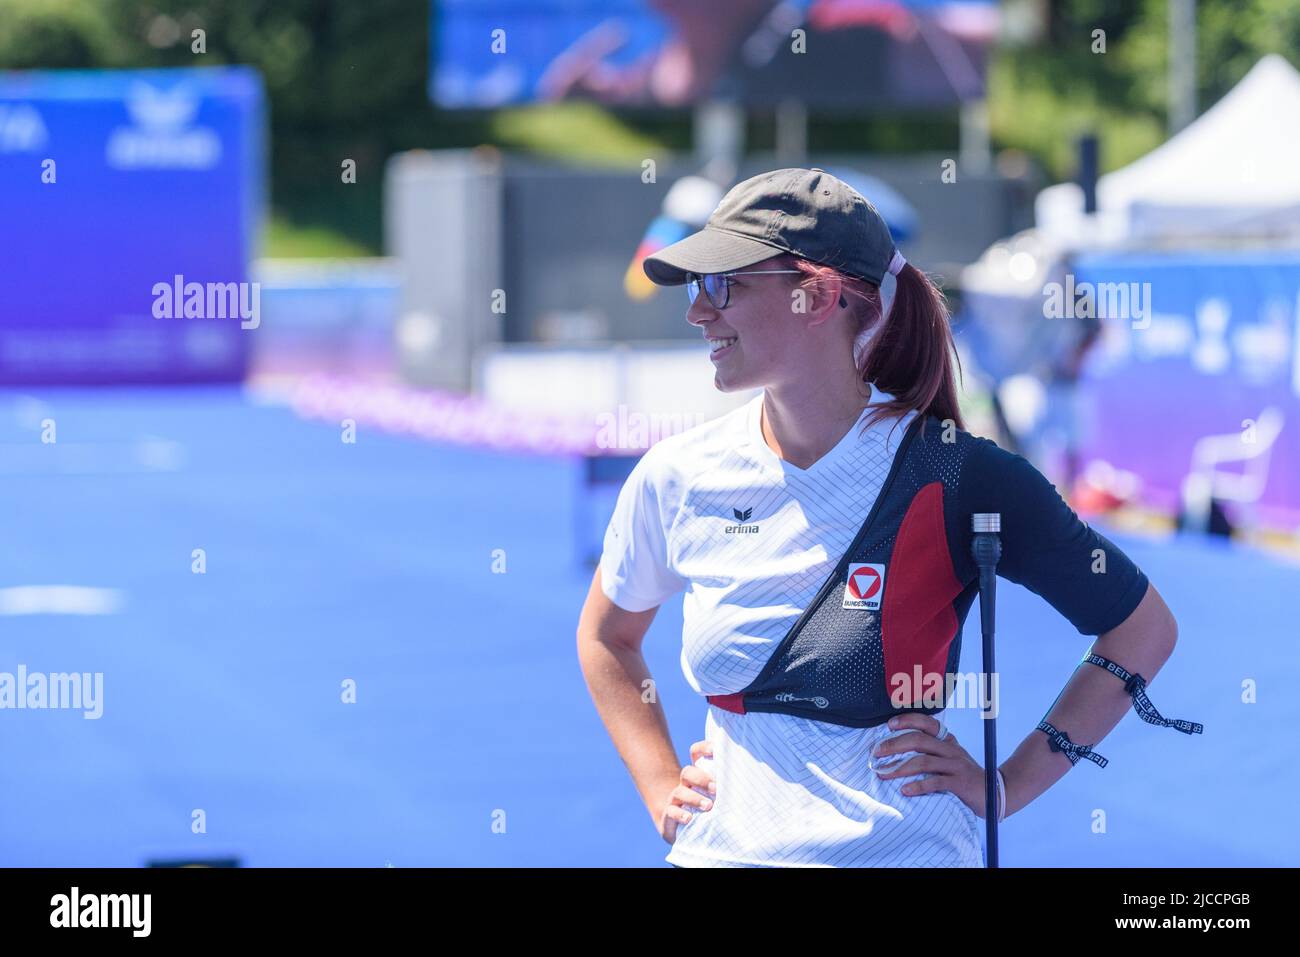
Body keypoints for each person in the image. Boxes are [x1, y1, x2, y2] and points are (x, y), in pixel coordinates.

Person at [575, 168, 1185, 867]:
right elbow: (605, 636)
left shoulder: (959, 471)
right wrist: (659, 787)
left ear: (820, 294)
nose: (697, 311)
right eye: (696, 286)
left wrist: (1007, 786)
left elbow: (1143, 627)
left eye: (724, 284)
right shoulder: (677, 474)